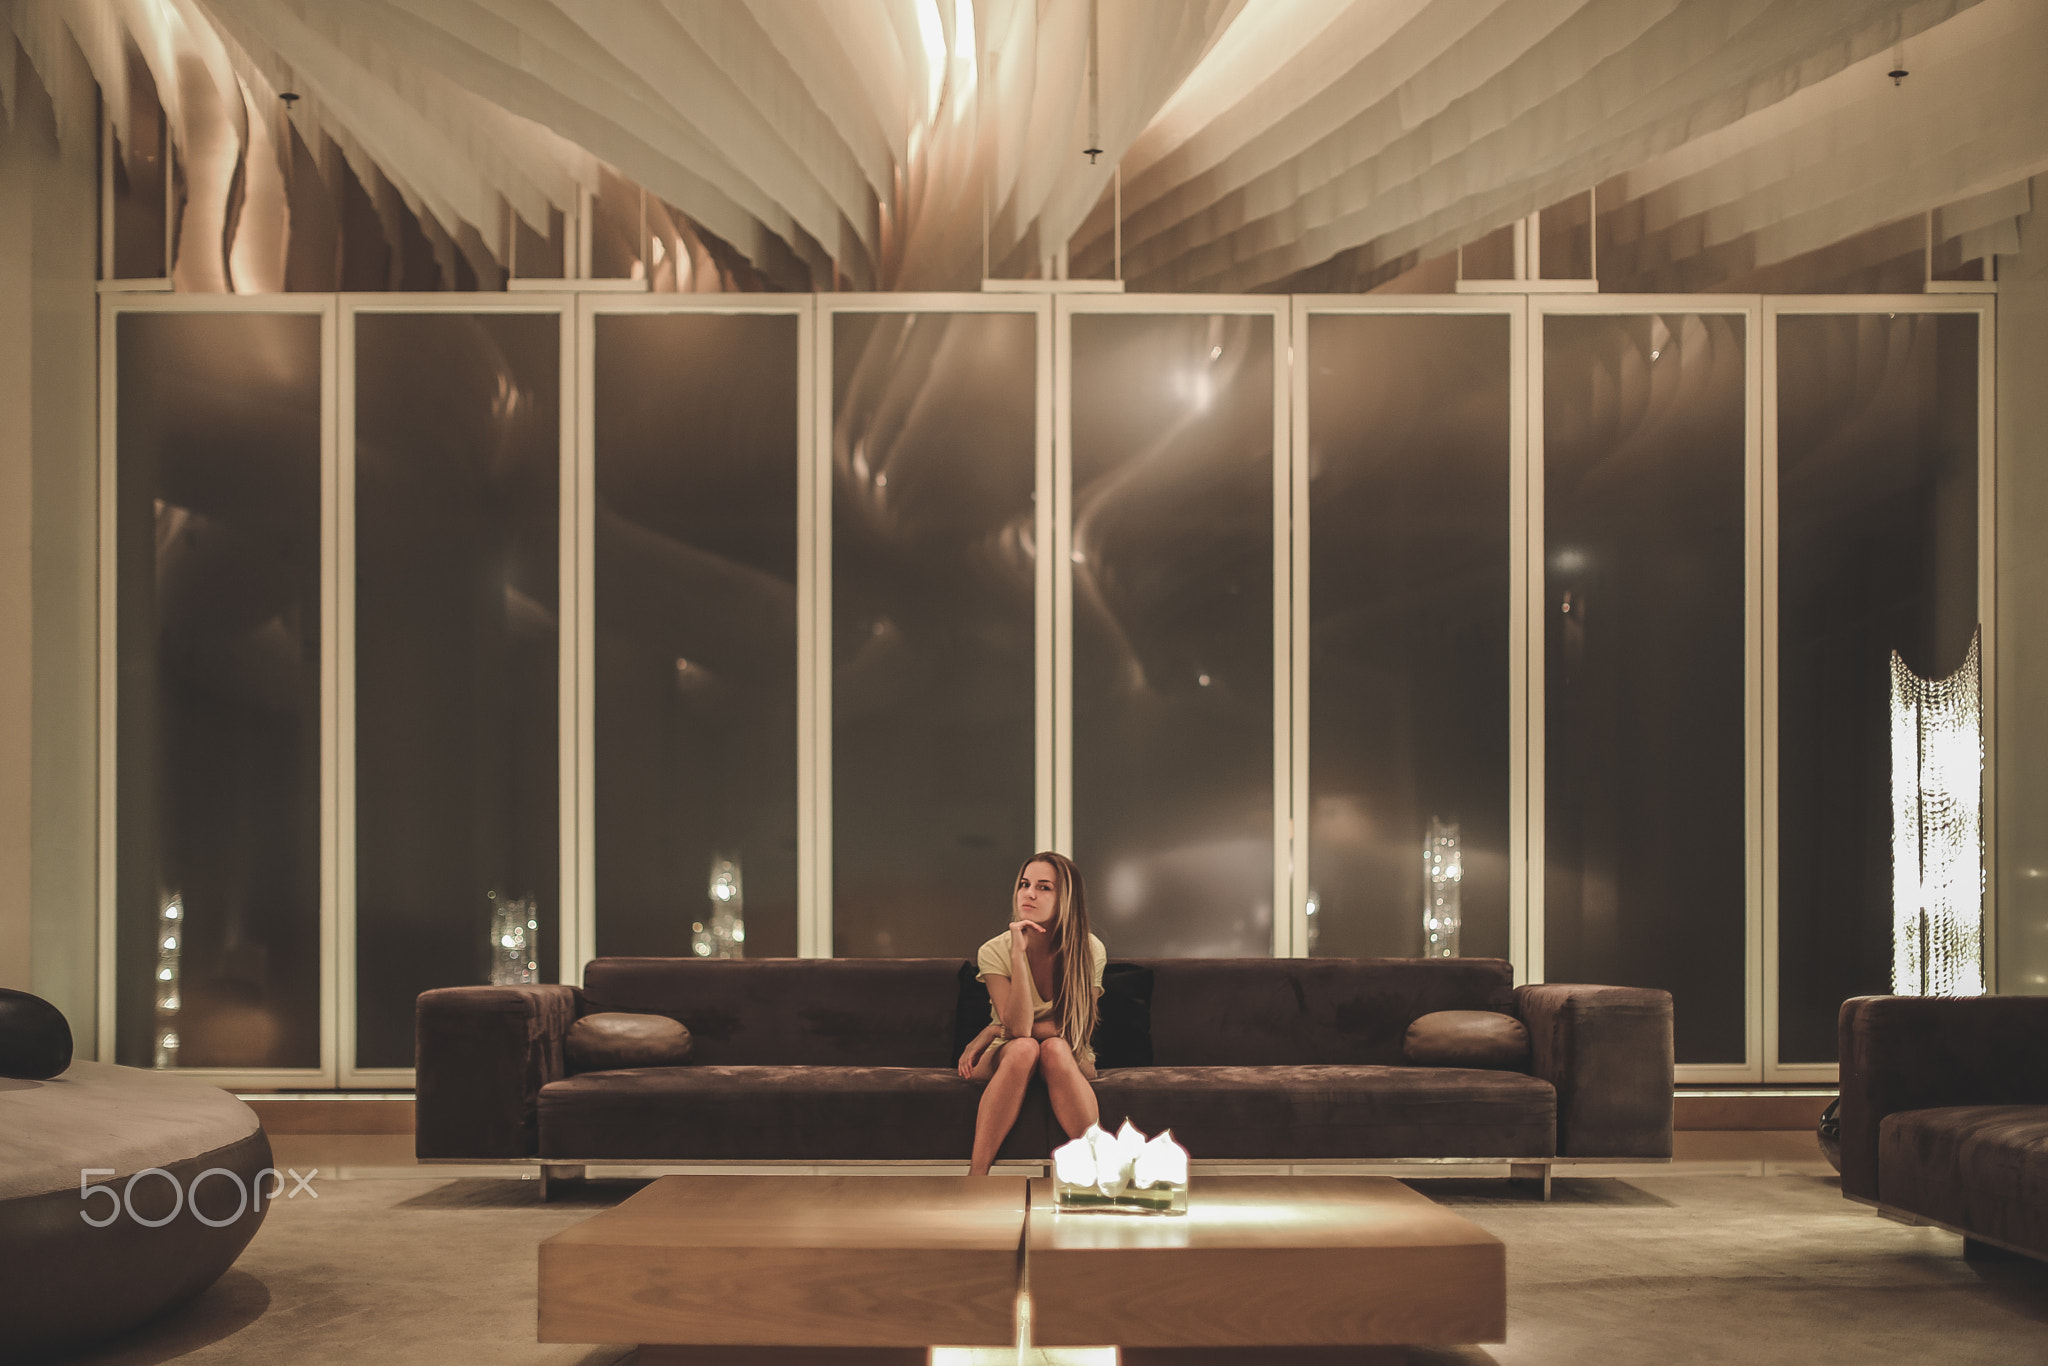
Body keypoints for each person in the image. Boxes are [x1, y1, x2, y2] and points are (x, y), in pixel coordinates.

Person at [957, 851, 1105, 1177]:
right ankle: (976, 1178)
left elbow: (1075, 1026)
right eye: (1024, 884)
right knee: (1025, 1048)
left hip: (1067, 1049)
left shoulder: (1089, 949)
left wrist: (993, 1029)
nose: (1029, 893)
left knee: (1054, 1048)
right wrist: (1017, 955)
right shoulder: (994, 950)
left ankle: (1102, 1174)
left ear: (1066, 898)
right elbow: (1020, 1030)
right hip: (1008, 1053)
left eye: (1044, 887)